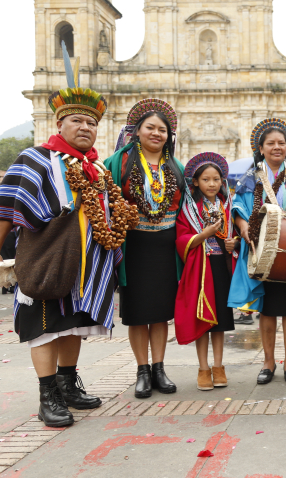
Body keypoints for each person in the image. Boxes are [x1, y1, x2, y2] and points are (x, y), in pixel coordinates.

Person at [0, 78, 138, 427]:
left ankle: (68, 384)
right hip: (47, 260)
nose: (86, 128)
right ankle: (47, 395)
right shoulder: (36, 158)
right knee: (44, 326)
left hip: (90, 266)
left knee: (74, 324)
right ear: (59, 124)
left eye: (92, 123)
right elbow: (7, 204)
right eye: (77, 121)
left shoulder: (97, 169)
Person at [228, 118, 286, 385]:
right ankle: (268, 362)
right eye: (271, 143)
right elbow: (238, 204)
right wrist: (243, 224)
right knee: (267, 310)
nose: (277, 147)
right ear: (261, 147)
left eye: (281, 143)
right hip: (262, 250)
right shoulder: (251, 176)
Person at [104, 98, 186, 399]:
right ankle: (141, 370)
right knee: (138, 313)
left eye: (162, 130)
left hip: (165, 247)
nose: (156, 134)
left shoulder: (176, 166)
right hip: (134, 247)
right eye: (150, 128)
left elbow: (185, 209)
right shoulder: (117, 163)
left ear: (169, 135)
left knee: (161, 313)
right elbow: (105, 203)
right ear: (136, 131)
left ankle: (159, 368)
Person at [175, 152, 238, 390]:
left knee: (220, 321)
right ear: (196, 182)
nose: (212, 184)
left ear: (222, 182)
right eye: (206, 180)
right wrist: (204, 234)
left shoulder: (227, 206)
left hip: (222, 267)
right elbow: (181, 238)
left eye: (216, 179)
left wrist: (235, 243)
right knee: (203, 319)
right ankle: (203, 368)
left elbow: (235, 235)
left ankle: (219, 366)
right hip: (201, 268)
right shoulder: (190, 208)